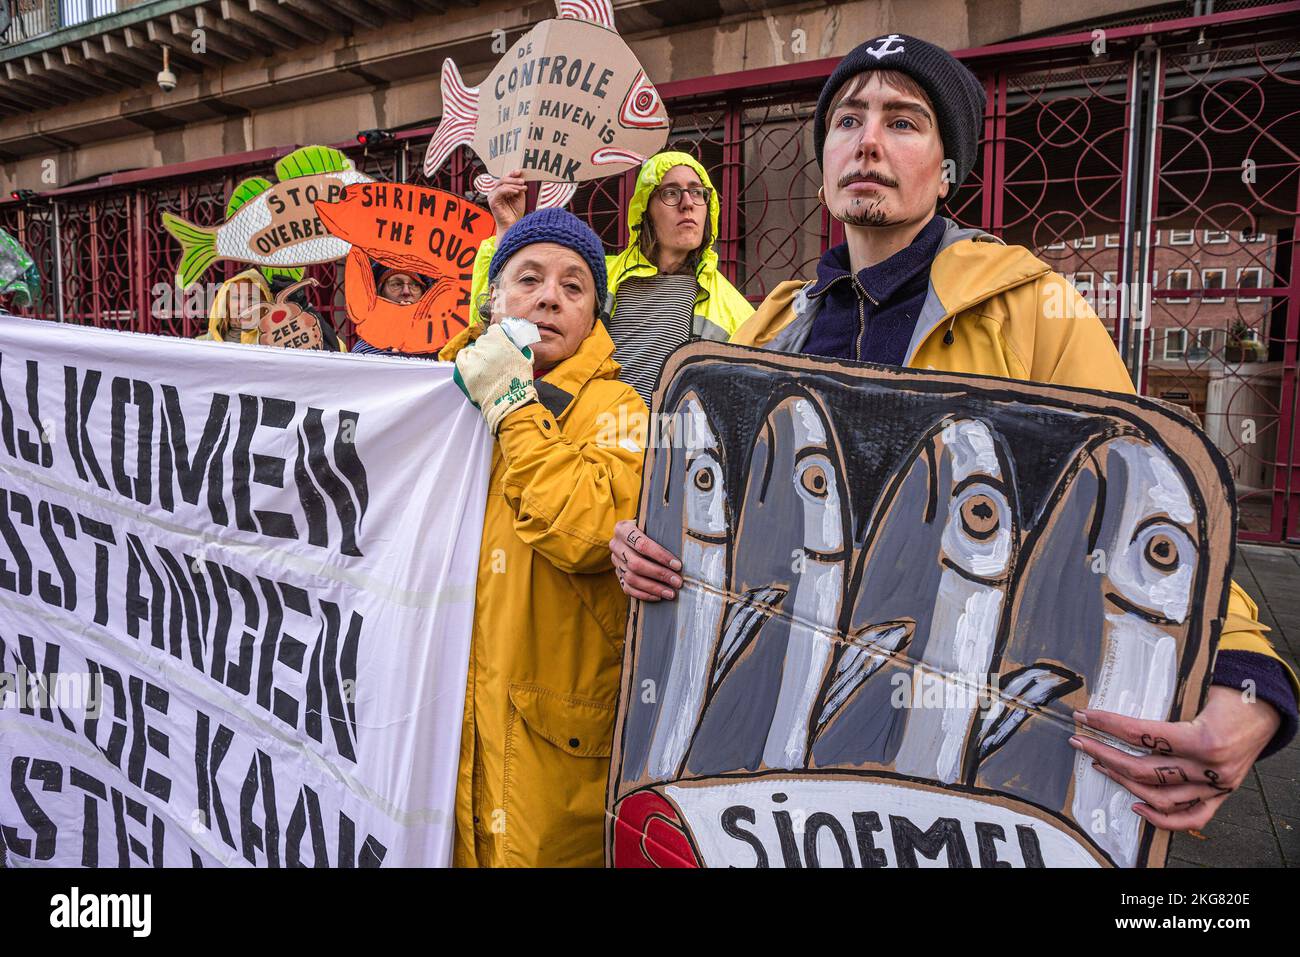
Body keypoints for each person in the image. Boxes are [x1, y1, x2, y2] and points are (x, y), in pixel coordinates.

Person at [607, 34, 1297, 836]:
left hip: (962, 751)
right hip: (782, 744)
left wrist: (1247, 674)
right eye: (847, 121)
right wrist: (647, 544)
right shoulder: (771, 328)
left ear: (949, 167)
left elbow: (1151, 495)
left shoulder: (1032, 307)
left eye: (904, 121)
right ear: (826, 158)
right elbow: (707, 508)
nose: (867, 140)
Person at [442, 208, 648, 866]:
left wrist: (513, 407)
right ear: (492, 300)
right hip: (456, 735)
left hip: (554, 758)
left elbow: (585, 528)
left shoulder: (622, 411)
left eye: (574, 285)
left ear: (595, 315)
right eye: (528, 278)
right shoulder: (443, 404)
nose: (549, 296)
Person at [471, 151, 754, 405]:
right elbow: (492, 323)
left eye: (698, 193)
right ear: (645, 208)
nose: (687, 204)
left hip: (672, 454)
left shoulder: (737, 310)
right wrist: (506, 231)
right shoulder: (592, 276)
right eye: (671, 193)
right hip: (580, 436)